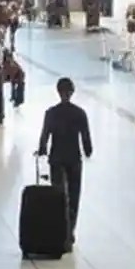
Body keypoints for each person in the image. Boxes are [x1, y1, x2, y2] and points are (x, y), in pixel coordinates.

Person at [35, 77, 93, 253]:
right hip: (74, 159)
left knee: (59, 197)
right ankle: (70, 232)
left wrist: (42, 150)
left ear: (58, 92)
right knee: (74, 197)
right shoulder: (80, 113)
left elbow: (45, 136)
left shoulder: (51, 113)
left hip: (57, 159)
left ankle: (61, 232)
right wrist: (88, 150)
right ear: (72, 92)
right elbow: (86, 139)